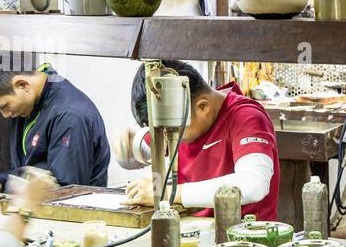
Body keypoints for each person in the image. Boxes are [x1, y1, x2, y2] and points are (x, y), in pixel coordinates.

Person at [118, 60, 279, 219]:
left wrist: (167, 193)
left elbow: (254, 185)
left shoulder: (247, 117)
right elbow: (135, 155)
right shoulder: (180, 116)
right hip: (195, 232)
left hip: (244, 238)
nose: (167, 136)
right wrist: (126, 149)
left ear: (203, 107)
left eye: (171, 130)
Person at [0, 55, 111, 190]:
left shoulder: (70, 116)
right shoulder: (29, 103)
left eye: (4, 106)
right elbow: (28, 168)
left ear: (22, 85)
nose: (5, 115)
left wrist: (14, 189)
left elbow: (66, 192)